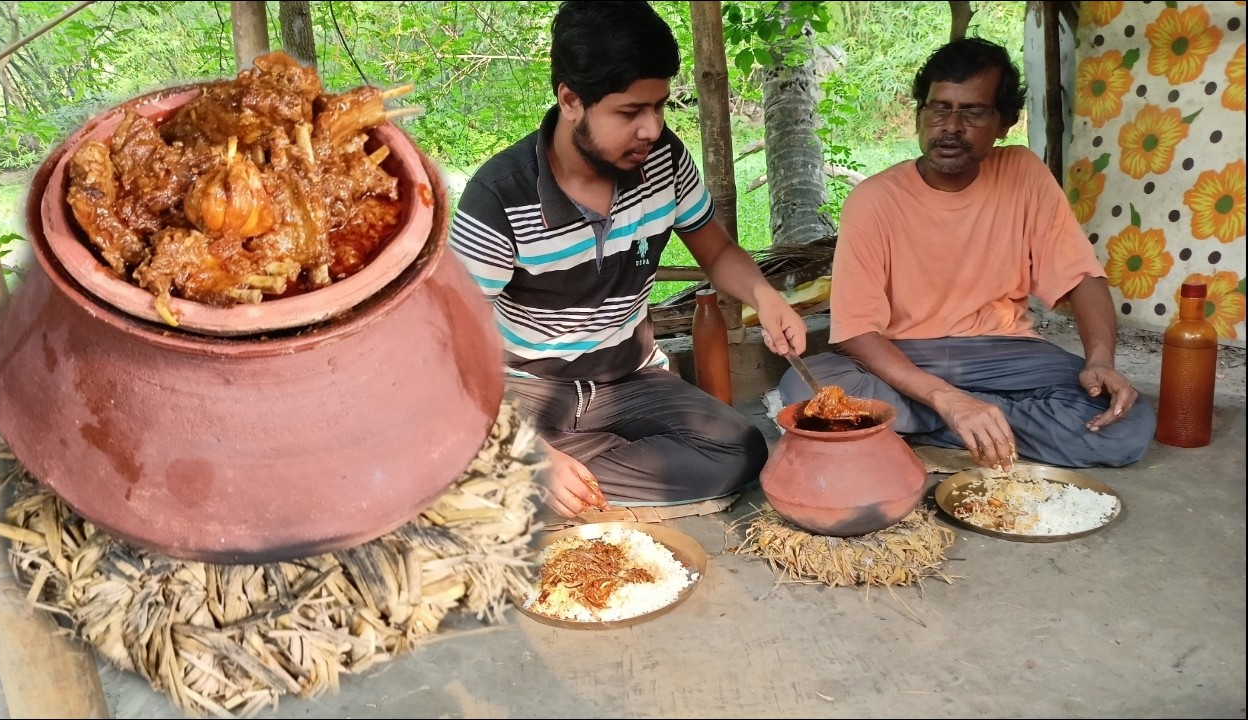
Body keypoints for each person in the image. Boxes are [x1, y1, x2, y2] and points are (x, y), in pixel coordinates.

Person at [449, 1, 807, 519]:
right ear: (571, 100)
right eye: (630, 112)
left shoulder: (664, 162)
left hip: (630, 382)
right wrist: (528, 448)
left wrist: (764, 296)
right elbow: (449, 349)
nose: (652, 129)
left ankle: (540, 478)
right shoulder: (500, 197)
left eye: (659, 106)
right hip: (527, 390)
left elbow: (717, 251)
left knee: (740, 451)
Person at [778, 36, 1156, 472]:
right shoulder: (873, 201)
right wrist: (947, 398)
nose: (951, 127)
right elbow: (856, 333)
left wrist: (1101, 361)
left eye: (973, 112)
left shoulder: (1023, 174)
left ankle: (941, 422)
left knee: (1126, 423)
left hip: (1006, 353)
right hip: (907, 354)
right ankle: (970, 417)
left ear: (1004, 122)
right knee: (806, 388)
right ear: (919, 114)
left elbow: (1081, 276)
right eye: (939, 109)